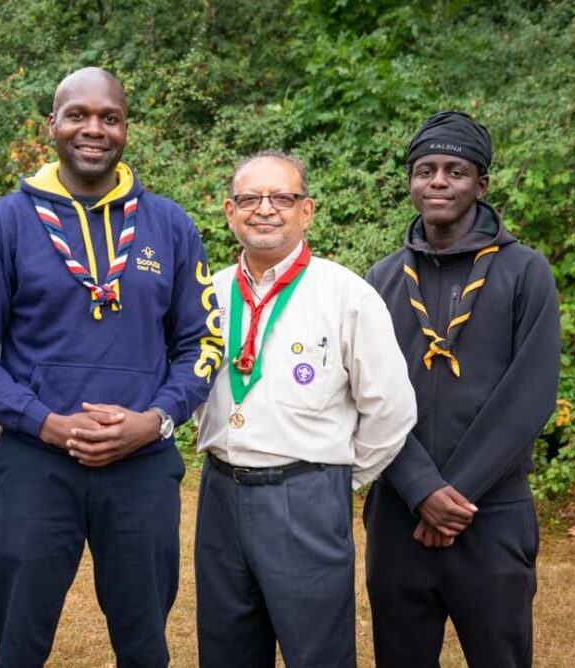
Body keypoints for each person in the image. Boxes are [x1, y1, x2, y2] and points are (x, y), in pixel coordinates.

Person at [0, 67, 224, 668]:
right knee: (18, 643)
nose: (93, 129)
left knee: (145, 644)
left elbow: (202, 342)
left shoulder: (170, 224)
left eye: (109, 117)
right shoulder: (5, 223)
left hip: (142, 466)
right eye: (77, 115)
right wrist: (44, 422)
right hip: (35, 463)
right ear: (53, 125)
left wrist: (155, 420)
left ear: (126, 128)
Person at [193, 151, 417, 668]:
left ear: (307, 211)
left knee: (316, 652)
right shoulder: (209, 292)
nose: (264, 209)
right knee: (226, 648)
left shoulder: (345, 294)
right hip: (220, 493)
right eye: (249, 199)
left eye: (282, 198)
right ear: (230, 212)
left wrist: (335, 476)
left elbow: (391, 408)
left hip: (306, 498)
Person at [364, 111, 561, 667]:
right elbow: (364, 397)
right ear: (410, 181)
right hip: (399, 513)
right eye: (425, 169)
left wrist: (454, 497)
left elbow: (530, 395)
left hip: (492, 515)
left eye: (455, 170)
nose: (439, 181)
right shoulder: (380, 280)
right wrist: (421, 489)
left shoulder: (526, 273)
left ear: (482, 183)